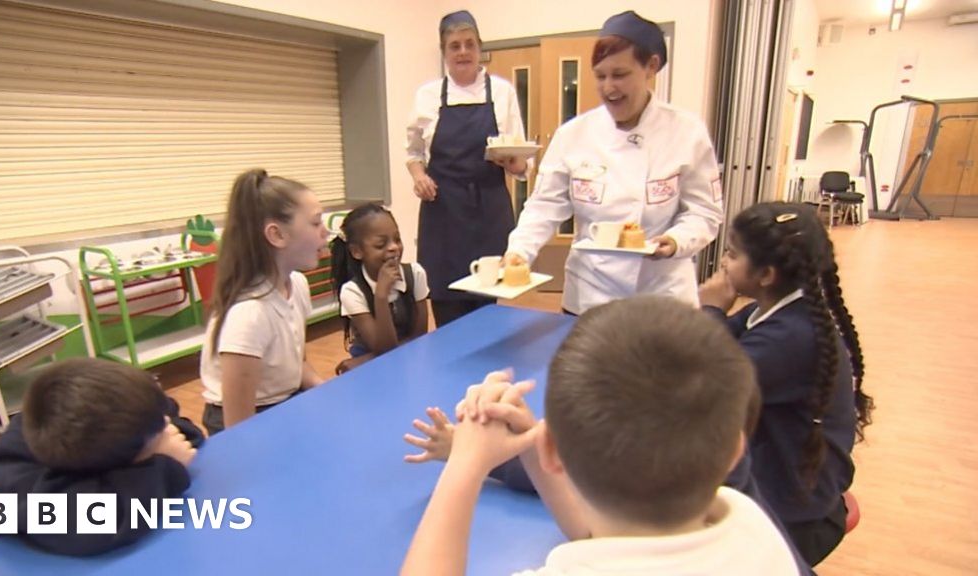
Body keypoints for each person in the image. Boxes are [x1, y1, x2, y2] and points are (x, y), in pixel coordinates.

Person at [401, 297, 799, 575]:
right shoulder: (746, 522)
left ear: (552, 449)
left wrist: (464, 466)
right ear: (735, 452)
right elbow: (597, 536)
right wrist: (531, 446)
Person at [504, 11, 723, 314]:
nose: (608, 87)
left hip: (662, 296)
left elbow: (704, 212)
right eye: (600, 76)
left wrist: (675, 240)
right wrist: (519, 251)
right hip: (590, 296)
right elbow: (543, 208)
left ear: (651, 67)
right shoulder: (573, 135)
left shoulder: (686, 132)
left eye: (619, 75)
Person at [698, 201, 874, 565]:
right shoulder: (767, 309)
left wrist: (712, 309)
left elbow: (713, 378)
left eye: (732, 254)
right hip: (788, 479)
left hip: (793, 515)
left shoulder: (789, 337)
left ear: (765, 275)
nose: (724, 264)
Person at [0, 358, 204, 556]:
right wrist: (165, 467)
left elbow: (181, 428)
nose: (168, 427)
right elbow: (91, 528)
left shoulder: (111, 409)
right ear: (112, 463)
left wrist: (158, 447)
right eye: (157, 435)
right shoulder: (19, 482)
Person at [407, 9, 530, 327]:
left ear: (479, 48)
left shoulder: (502, 92)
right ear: (444, 52)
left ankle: (488, 368)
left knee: (486, 301)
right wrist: (419, 177)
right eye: (454, 45)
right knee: (445, 298)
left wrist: (513, 162)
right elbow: (414, 153)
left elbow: (519, 161)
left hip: (488, 208)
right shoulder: (427, 95)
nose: (463, 52)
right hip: (443, 212)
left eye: (469, 44)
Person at [199, 168, 329, 435]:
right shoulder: (249, 314)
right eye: (316, 223)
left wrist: (324, 389)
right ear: (277, 235)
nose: (325, 232)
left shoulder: (297, 285)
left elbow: (296, 363)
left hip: (283, 401)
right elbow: (238, 428)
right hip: (243, 419)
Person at [329, 204, 430, 374]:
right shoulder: (352, 291)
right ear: (357, 251)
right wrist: (381, 296)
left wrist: (365, 360)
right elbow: (385, 349)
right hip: (376, 363)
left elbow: (420, 337)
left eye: (397, 239)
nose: (393, 247)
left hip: (404, 355)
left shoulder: (415, 273)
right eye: (381, 244)